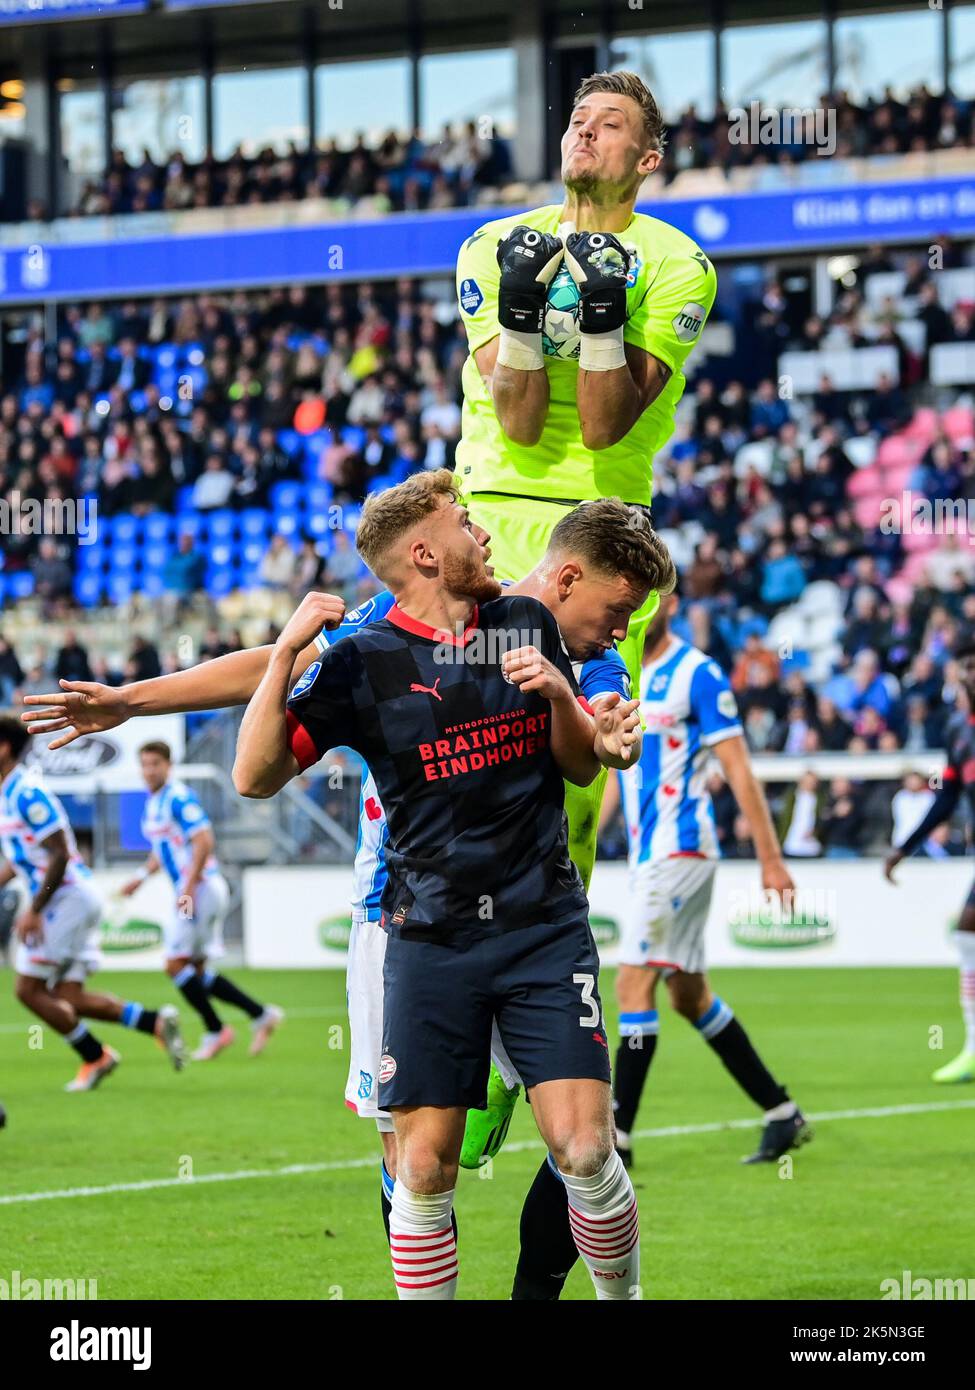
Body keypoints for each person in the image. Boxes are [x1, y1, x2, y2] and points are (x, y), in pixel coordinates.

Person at [234, 471, 644, 1301]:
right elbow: (253, 776)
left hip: (541, 927)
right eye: (465, 522)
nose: (484, 535)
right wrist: (282, 656)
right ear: (424, 552)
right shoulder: (359, 661)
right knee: (422, 1169)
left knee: (586, 1149)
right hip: (427, 938)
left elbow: (576, 761)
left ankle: (622, 1297)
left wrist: (572, 701)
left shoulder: (524, 622)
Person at [454, 67, 716, 889]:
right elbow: (521, 420)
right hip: (487, 520)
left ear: (647, 159)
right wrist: (526, 308)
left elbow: (605, 425)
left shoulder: (679, 263)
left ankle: (551, 954)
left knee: (575, 753)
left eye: (608, 123)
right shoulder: (493, 244)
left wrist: (604, 313)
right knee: (455, 727)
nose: (585, 131)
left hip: (599, 530)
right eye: (577, 118)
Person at [599, 593, 810, 1182]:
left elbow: (738, 768)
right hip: (648, 855)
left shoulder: (699, 673)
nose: (640, 606)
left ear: (669, 600)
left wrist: (770, 860)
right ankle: (781, 1110)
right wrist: (583, 841)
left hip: (683, 848)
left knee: (632, 983)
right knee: (689, 997)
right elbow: (618, 770)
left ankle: (618, 1137)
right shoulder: (627, 671)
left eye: (650, 594)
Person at [0, 715, 185, 1091]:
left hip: (66, 900)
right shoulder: (8, 792)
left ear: (4, 748)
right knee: (69, 998)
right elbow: (24, 857)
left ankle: (95, 1055)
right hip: (72, 897)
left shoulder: (25, 791)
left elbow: (60, 853)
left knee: (28, 991)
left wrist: (34, 910)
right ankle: (153, 1023)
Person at [119, 741, 282, 1060]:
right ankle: (260, 1014)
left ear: (169, 765)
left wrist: (189, 887)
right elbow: (163, 850)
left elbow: (204, 840)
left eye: (155, 763)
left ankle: (215, 1029)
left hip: (201, 889)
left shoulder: (178, 797)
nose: (149, 770)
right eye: (145, 764)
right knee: (194, 968)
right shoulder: (155, 803)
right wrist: (139, 877)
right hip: (196, 889)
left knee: (174, 964)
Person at [884, 637, 975, 1083]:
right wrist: (905, 847)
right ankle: (973, 1048)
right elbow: (947, 800)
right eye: (967, 668)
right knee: (967, 932)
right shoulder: (959, 731)